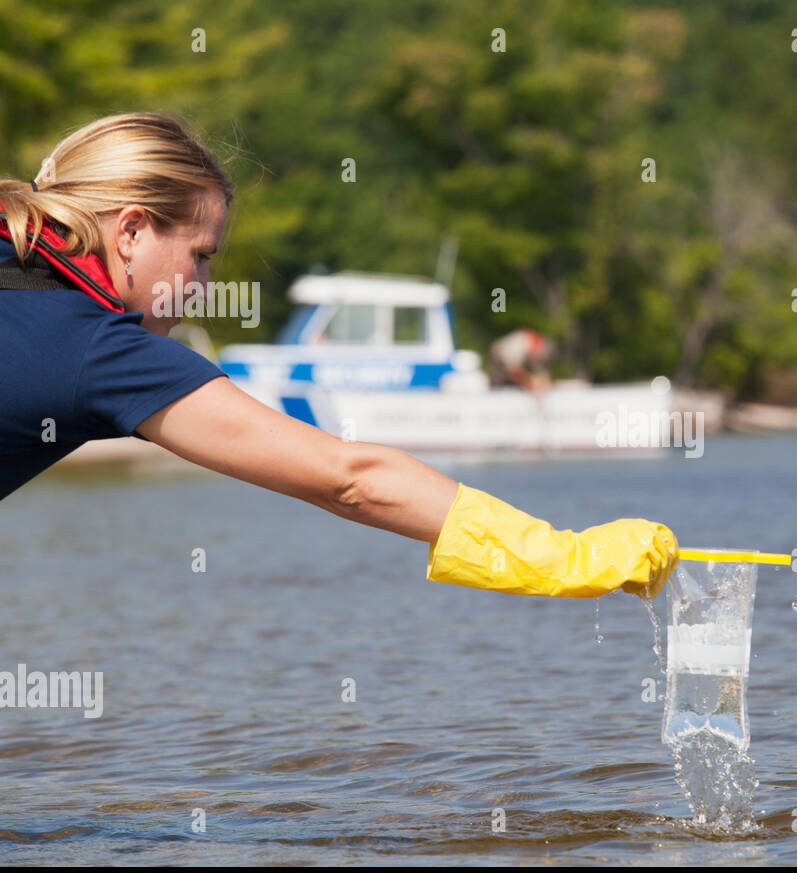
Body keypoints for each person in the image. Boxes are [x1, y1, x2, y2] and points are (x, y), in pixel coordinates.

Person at [0, 113, 677, 598]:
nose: (204, 289)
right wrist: (559, 555)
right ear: (131, 231)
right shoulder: (98, 348)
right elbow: (348, 478)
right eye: (200, 256)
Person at [488, 327, 555, 393]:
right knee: (499, 385)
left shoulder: (532, 341)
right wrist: (528, 383)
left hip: (507, 354)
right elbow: (513, 370)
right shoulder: (517, 346)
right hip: (500, 356)